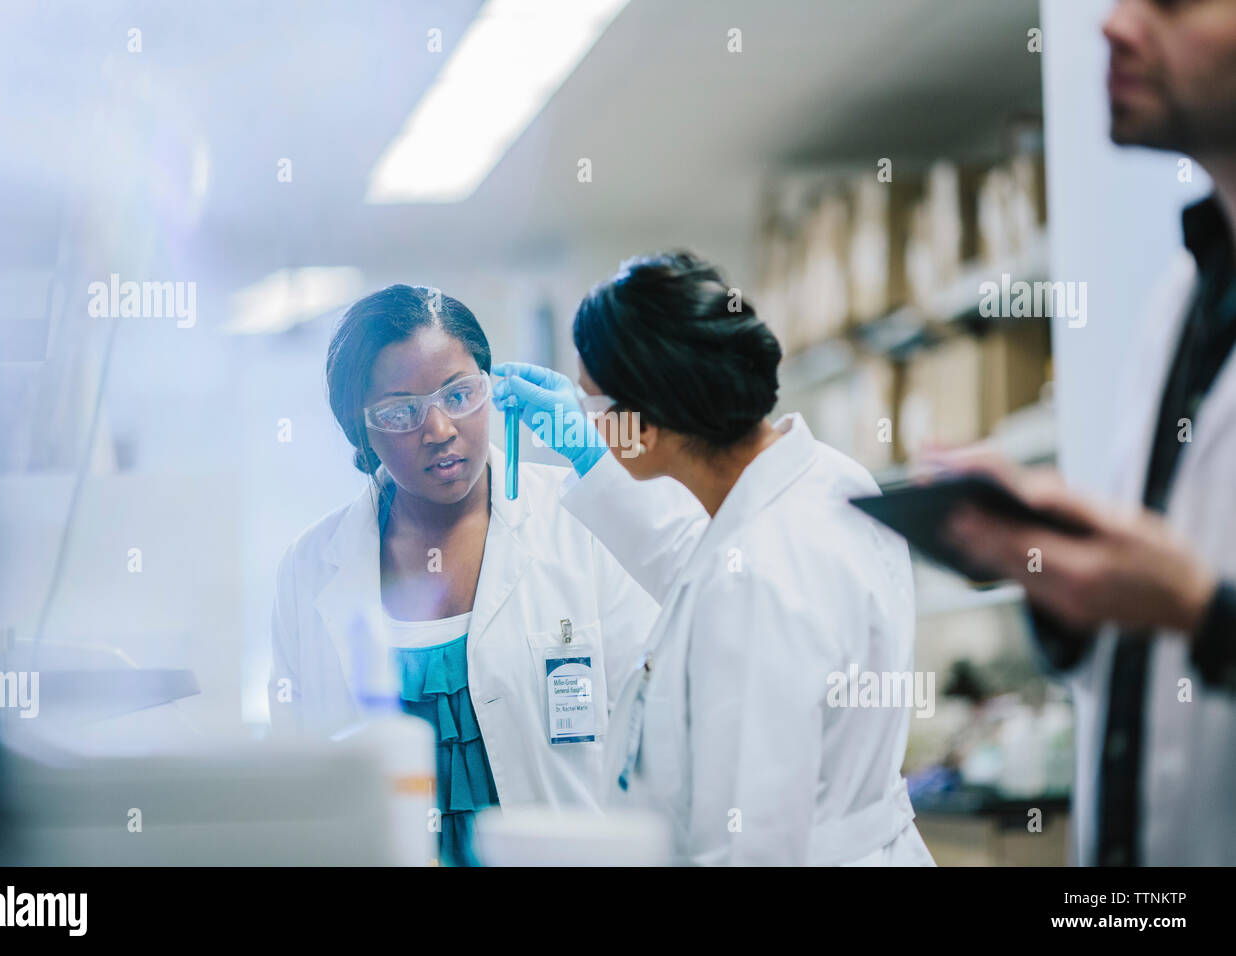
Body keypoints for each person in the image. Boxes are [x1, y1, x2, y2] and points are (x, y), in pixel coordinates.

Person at [495, 252, 935, 866]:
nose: (587, 426)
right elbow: (698, 566)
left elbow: (751, 845)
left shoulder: (756, 577)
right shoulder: (829, 479)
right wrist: (591, 456)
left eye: (592, 408)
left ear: (643, 426)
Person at [933, 0, 1236, 865]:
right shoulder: (1181, 305)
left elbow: (1199, 607)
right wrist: (1049, 566)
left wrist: (1202, 612)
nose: (1111, 24)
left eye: (1172, 0)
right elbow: (1147, 675)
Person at [268, 284, 656, 866]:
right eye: (402, 410)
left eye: (459, 393)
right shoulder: (309, 568)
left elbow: (657, 734)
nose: (440, 428)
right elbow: (297, 782)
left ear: (493, 388)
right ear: (360, 428)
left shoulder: (585, 525)